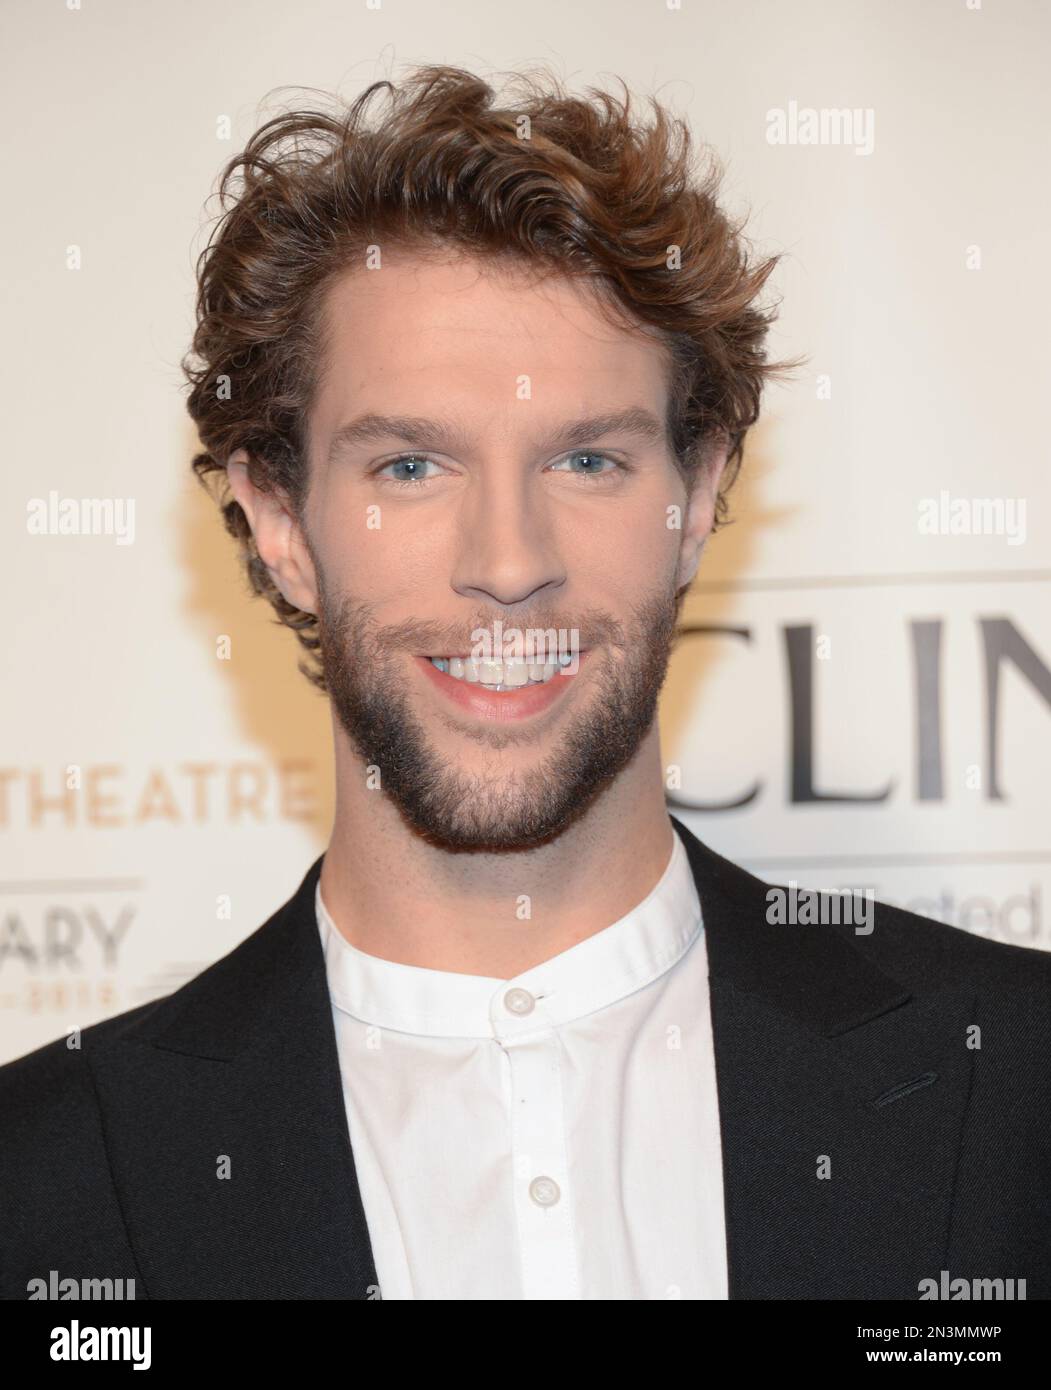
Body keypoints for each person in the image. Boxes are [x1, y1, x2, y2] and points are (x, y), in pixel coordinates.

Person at [2, 64, 1048, 1302]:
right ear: (279, 517)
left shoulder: (1019, 1088)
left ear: (697, 494)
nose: (508, 563)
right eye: (408, 466)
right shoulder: (43, 1181)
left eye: (588, 458)